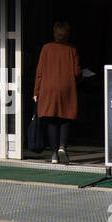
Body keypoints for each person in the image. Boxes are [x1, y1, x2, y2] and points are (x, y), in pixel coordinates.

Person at [33, 21, 80, 164]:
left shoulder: (46, 48)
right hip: (66, 88)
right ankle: (62, 147)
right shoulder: (72, 50)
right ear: (67, 34)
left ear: (55, 33)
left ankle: (53, 154)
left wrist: (36, 91)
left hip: (48, 88)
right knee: (65, 117)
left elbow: (39, 72)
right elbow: (77, 72)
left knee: (51, 119)